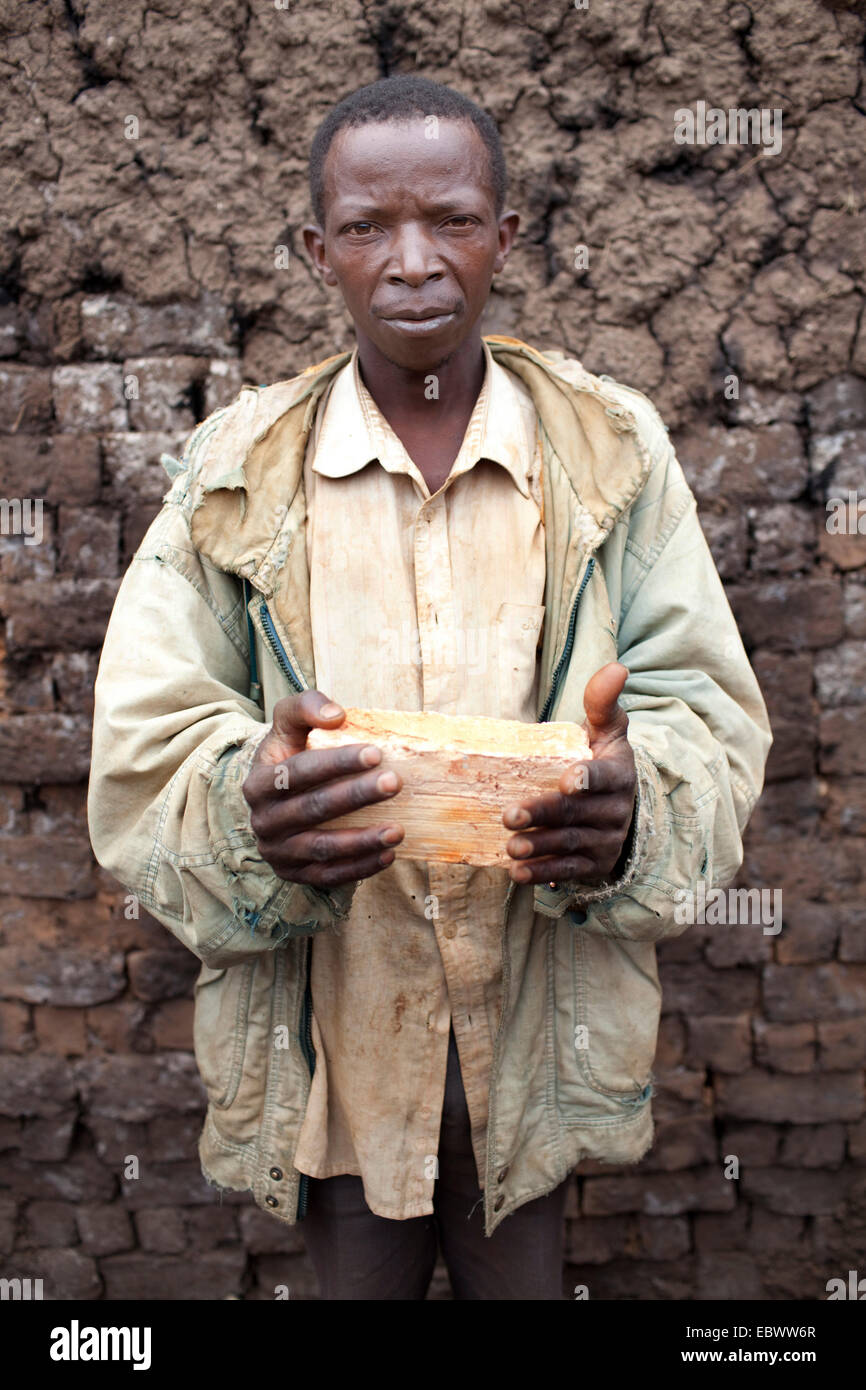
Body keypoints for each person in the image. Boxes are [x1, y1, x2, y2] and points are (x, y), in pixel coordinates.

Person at [88, 74, 771, 1300]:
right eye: (365, 228)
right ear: (317, 251)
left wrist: (633, 806)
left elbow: (705, 715)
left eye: (449, 219)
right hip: (334, 1044)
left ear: (503, 235)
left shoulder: (607, 456)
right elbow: (144, 744)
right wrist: (249, 808)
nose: (411, 262)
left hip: (536, 1021)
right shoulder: (239, 474)